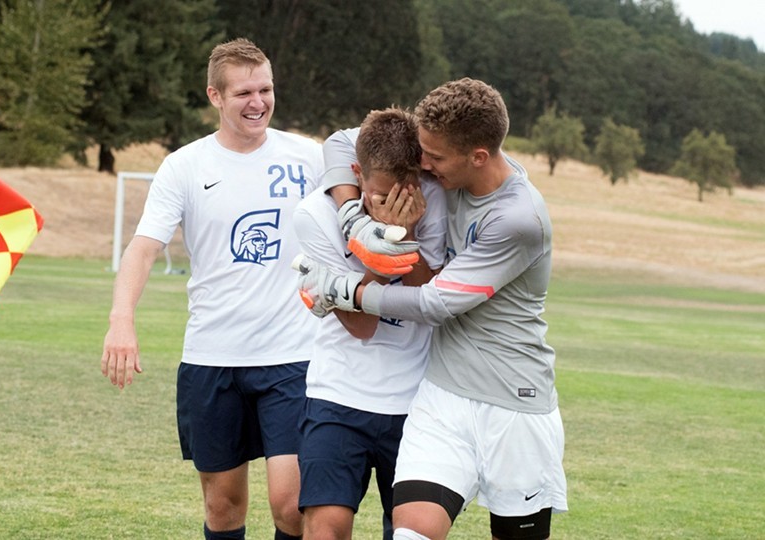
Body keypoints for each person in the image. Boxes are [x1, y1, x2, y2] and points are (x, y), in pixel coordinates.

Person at [295, 78, 567, 540]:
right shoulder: (448, 174)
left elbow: (436, 302)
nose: (423, 165)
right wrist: (353, 217)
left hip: (513, 402)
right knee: (412, 533)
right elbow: (344, 141)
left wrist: (343, 289)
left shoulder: (518, 218)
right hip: (442, 394)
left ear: (477, 156)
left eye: (434, 158)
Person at [100, 38, 323, 540]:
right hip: (213, 357)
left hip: (293, 357)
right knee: (223, 506)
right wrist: (121, 320)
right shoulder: (185, 165)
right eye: (244, 91)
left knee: (292, 505)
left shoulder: (308, 158)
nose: (258, 102)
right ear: (215, 96)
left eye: (265, 89)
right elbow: (141, 249)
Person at [293, 107, 447, 540]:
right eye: (381, 195)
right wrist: (380, 246)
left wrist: (408, 235)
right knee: (327, 527)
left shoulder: (431, 204)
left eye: (406, 193)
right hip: (338, 395)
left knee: (408, 531)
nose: (394, 206)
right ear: (357, 174)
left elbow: (433, 301)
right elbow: (361, 326)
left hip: (417, 401)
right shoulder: (315, 215)